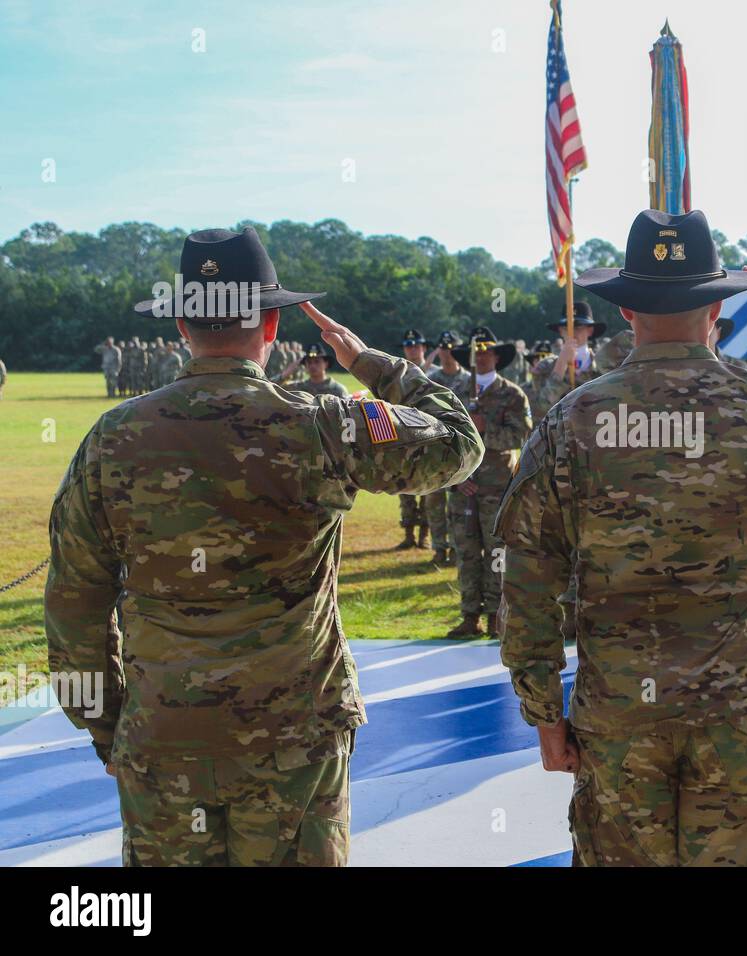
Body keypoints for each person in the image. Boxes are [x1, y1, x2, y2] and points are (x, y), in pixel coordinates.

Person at [45, 226, 483, 866]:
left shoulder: (112, 438)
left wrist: (112, 728)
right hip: (293, 740)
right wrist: (370, 363)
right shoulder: (321, 424)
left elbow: (74, 608)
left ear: (181, 327)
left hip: (164, 737)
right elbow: (457, 443)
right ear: (272, 325)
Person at [496, 209, 747, 867]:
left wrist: (544, 710)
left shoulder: (572, 421)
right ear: (715, 311)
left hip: (621, 709)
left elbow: (527, 569)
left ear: (628, 311)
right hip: (738, 712)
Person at [446, 326, 532, 637]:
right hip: (462, 488)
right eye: (476, 352)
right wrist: (455, 480)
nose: (481, 356)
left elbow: (522, 435)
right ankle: (470, 616)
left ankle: (497, 616)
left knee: (497, 554)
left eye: (486, 351)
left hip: (497, 488)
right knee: (467, 554)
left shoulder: (512, 394)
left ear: (496, 355)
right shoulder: (455, 392)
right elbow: (440, 438)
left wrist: (485, 428)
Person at [425, 331, 472, 564]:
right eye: (443, 348)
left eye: (452, 347)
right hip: (433, 451)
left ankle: (455, 547)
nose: (447, 352)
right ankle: (438, 548)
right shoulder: (430, 380)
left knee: (457, 505)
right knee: (434, 503)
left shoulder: (470, 380)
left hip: (459, 453)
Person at [395, 328, 435, 549]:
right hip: (405, 441)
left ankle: (425, 535)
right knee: (405, 490)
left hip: (430, 440)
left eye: (416, 346)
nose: (412, 349)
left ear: (424, 348)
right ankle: (409, 535)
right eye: (408, 346)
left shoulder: (435, 375)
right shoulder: (398, 375)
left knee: (430, 491)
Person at [529, 301, 605, 417]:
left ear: (590, 330)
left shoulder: (604, 367)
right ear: (560, 331)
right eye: (567, 328)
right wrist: (560, 365)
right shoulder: (544, 367)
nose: (572, 333)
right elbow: (540, 410)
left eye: (578, 327)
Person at [276, 342, 350, 399]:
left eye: (317, 361)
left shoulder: (337, 390)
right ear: (305, 365)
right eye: (309, 362)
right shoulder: (296, 388)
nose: (312, 366)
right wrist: (284, 375)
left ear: (326, 364)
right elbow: (268, 389)